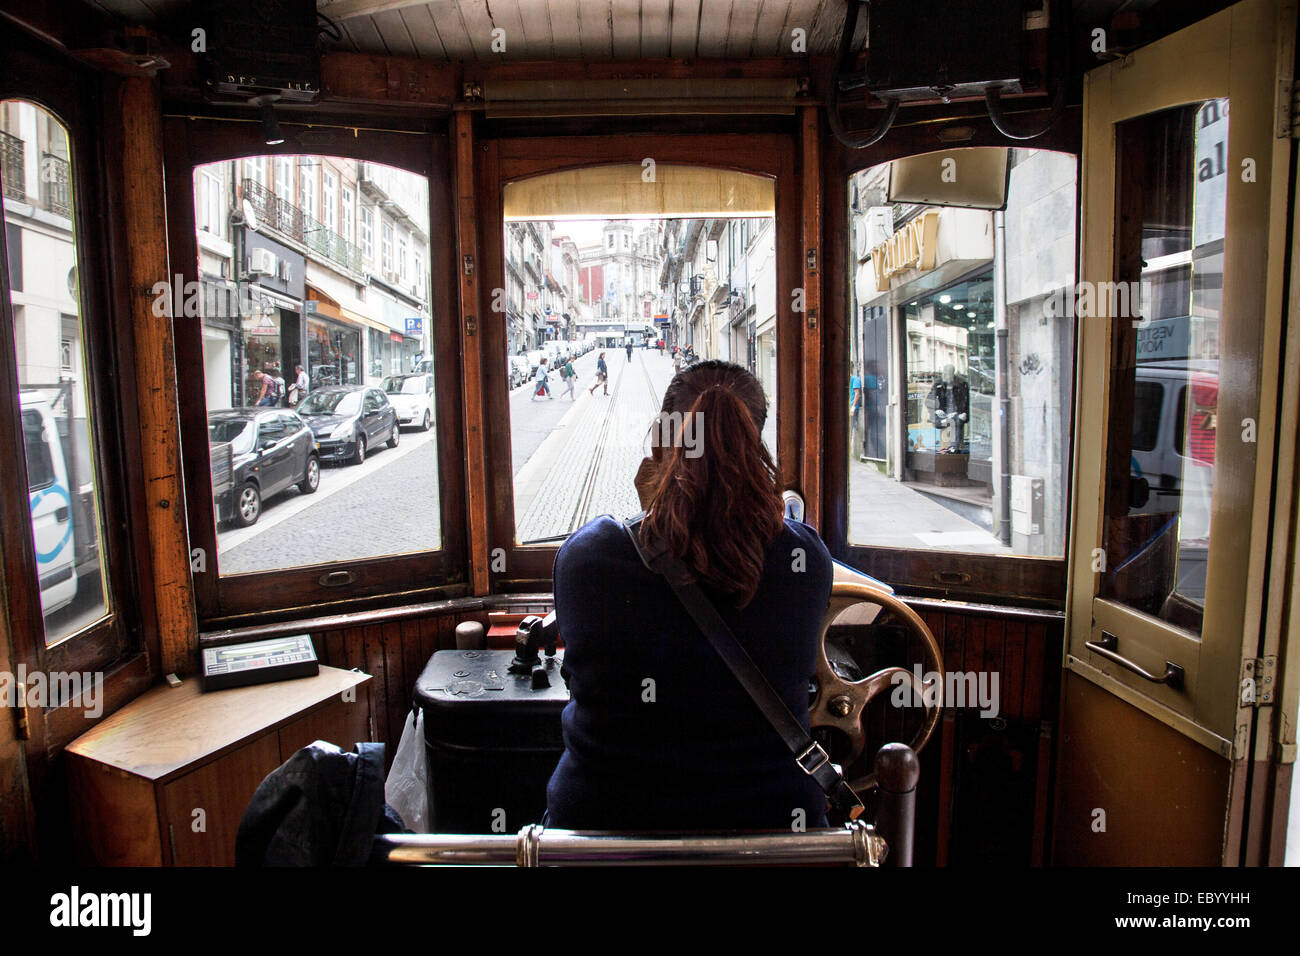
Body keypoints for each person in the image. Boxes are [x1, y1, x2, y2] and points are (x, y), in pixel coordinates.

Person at [545, 360, 833, 830]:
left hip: (602, 835)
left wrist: (654, 507)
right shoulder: (806, 559)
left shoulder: (588, 557)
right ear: (754, 442)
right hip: (777, 832)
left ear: (660, 443)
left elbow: (579, 682)